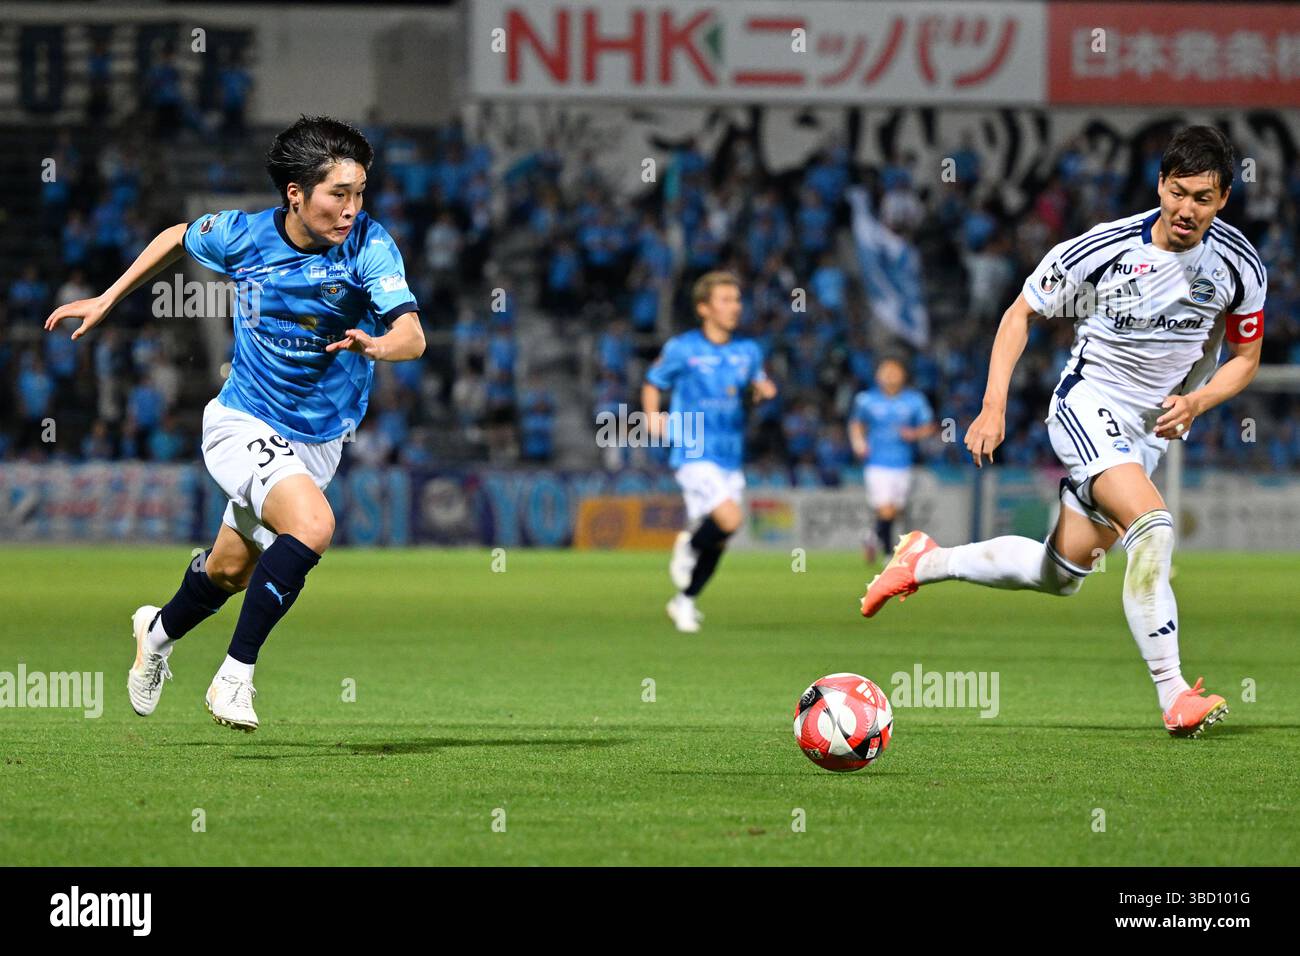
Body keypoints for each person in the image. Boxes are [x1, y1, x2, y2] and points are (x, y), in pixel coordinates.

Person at [859, 126, 1265, 738]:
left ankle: (926, 560)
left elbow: (1246, 356)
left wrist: (1201, 399)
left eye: (1202, 198)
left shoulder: (1239, 264)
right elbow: (1020, 312)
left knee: (1062, 574)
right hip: (1088, 404)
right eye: (1177, 192)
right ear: (1160, 184)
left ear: (1224, 198)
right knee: (1153, 531)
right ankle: (1174, 695)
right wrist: (993, 404)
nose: (1186, 210)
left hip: (1150, 430)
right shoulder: (1104, 249)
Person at [44, 115, 426, 732]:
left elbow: (413, 335)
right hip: (241, 420)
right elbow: (175, 236)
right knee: (313, 526)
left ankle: (157, 632)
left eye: (360, 193)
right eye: (338, 194)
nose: (352, 208)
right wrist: (107, 299)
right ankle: (234, 678)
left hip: (318, 440)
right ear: (296, 194)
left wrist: (378, 346)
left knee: (229, 570)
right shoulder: (243, 236)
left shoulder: (371, 246)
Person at [642, 271, 777, 633]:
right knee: (731, 519)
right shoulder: (682, 349)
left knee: (720, 538)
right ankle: (687, 545)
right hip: (693, 449)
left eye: (737, 299)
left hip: (730, 454)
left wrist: (763, 390)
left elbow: (758, 383)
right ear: (704, 308)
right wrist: (653, 417)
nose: (735, 307)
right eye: (725, 300)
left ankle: (684, 601)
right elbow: (653, 383)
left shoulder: (747, 351)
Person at [848, 357, 937, 562]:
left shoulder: (914, 400)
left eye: (893, 370)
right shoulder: (866, 399)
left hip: (903, 462)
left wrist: (914, 434)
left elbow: (929, 426)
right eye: (885, 370)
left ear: (903, 374)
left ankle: (871, 537)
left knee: (895, 510)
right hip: (877, 463)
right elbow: (856, 423)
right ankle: (889, 554)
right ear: (877, 375)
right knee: (885, 509)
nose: (889, 375)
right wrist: (859, 443)